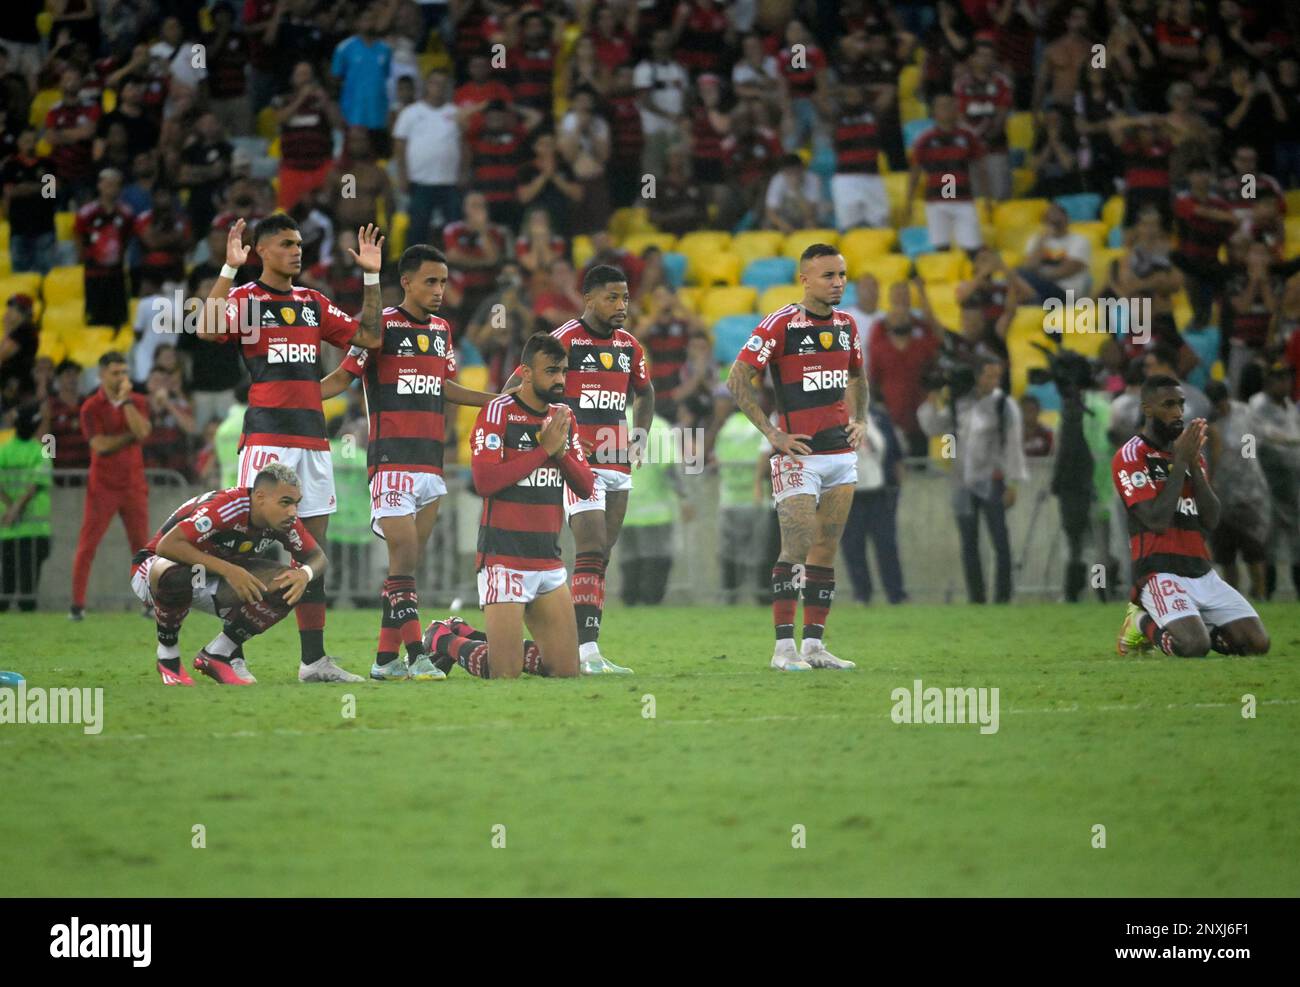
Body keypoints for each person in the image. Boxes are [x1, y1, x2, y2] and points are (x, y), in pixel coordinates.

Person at [193, 212, 387, 684]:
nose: (296, 251)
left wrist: (371, 276)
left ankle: (313, 661)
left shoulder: (312, 302)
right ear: (260, 251)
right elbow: (205, 329)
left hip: (313, 443)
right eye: (285, 244)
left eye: (299, 243)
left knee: (311, 553)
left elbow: (371, 337)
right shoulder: (246, 297)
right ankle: (227, 648)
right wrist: (227, 269)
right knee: (252, 545)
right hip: (267, 441)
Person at [320, 244, 498, 682]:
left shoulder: (441, 330)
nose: (440, 290)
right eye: (430, 281)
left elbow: (445, 386)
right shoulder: (380, 328)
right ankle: (417, 653)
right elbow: (344, 377)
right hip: (391, 460)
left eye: (443, 281)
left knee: (404, 569)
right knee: (402, 554)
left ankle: (384, 661)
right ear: (406, 282)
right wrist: (293, 399)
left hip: (430, 463)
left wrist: (497, 401)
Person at [503, 265, 655, 674]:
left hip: (617, 461)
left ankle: (582, 647)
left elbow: (645, 392)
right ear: (588, 299)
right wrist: (538, 437)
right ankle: (584, 653)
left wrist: (639, 434)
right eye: (612, 297)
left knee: (600, 555)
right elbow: (514, 391)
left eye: (625, 297)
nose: (621, 305)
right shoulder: (563, 340)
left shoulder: (629, 346)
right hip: (575, 461)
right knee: (589, 547)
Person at [726, 243, 867, 670]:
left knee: (825, 549)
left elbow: (857, 376)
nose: (838, 282)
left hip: (840, 454)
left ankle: (814, 647)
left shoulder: (847, 324)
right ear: (804, 278)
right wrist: (773, 433)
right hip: (797, 456)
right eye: (828, 275)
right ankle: (782, 649)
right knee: (797, 544)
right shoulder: (780, 324)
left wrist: (861, 418)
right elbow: (737, 379)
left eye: (842, 275)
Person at [423, 332, 593, 680]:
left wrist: (558, 452)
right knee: (504, 674)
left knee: (565, 671)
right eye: (551, 371)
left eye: (563, 371)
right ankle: (441, 637)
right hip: (504, 560)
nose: (559, 379)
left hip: (547, 560)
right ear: (526, 373)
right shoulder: (497, 412)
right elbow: (484, 483)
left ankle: (468, 634)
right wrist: (543, 452)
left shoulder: (563, 417)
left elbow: (586, 487)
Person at [130, 462, 329, 686]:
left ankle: (216, 654)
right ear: (260, 497)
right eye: (285, 503)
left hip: (211, 579)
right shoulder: (228, 507)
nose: (293, 512)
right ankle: (168, 656)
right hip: (152, 570)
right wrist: (230, 570)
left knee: (287, 583)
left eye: (296, 503)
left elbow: (318, 557)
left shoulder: (283, 521)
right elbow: (167, 547)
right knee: (174, 573)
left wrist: (304, 574)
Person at [1114, 375, 1270, 657]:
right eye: (1168, 405)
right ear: (1148, 410)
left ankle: (1199, 624)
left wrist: (1194, 466)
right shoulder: (1130, 456)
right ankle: (1140, 621)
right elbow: (1156, 520)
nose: (1178, 412)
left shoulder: (1190, 454)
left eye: (1181, 404)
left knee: (1257, 644)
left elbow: (1210, 520)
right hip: (1158, 571)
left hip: (1201, 570)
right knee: (1193, 647)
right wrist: (1181, 463)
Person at [918, 355, 1027, 604]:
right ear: (977, 376)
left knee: (1001, 541)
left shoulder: (1004, 405)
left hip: (993, 480)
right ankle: (976, 597)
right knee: (969, 543)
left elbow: (1013, 445)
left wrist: (1013, 483)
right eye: (989, 375)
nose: (993, 380)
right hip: (962, 482)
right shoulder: (958, 403)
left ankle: (1003, 596)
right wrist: (934, 397)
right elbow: (934, 427)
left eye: (996, 376)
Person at [70, 351, 151, 620]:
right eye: (116, 373)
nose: (121, 378)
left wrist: (126, 401)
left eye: (124, 372)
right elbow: (100, 446)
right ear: (102, 374)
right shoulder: (90, 407)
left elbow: (143, 432)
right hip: (102, 486)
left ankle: (149, 604)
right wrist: (129, 437)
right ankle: (77, 605)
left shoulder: (136, 401)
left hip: (133, 484)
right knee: (87, 545)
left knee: (143, 548)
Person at [1205, 380, 1270, 600]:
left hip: (1248, 492)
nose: (1220, 409)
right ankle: (1235, 598)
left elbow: (1255, 443)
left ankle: (1260, 594)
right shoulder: (1208, 422)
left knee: (1254, 549)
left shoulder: (1244, 413)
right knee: (1226, 554)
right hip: (1221, 496)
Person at [840, 402, 906, 605]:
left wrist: (897, 484)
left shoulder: (877, 415)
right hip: (849, 493)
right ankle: (862, 593)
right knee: (853, 546)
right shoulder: (834, 418)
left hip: (880, 492)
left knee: (886, 544)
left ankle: (895, 594)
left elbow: (894, 451)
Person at [905, 92, 986, 254]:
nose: (947, 110)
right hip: (936, 201)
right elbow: (915, 172)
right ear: (934, 112)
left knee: (972, 248)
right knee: (941, 247)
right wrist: (909, 201)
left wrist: (987, 197)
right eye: (942, 106)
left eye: (951, 106)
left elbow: (979, 168)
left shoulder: (967, 137)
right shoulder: (924, 140)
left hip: (963, 200)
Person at [1248, 364, 1300, 600]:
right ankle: (1265, 592)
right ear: (1268, 382)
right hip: (1268, 483)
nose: (1285, 384)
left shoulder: (1289, 406)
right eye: (1279, 379)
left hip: (1292, 484)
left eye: (1287, 378)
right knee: (1268, 538)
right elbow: (1255, 437)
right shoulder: (1257, 405)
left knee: (1296, 538)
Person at [0, 403, 51, 612]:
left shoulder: (4, 450)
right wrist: (17, 508)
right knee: (28, 584)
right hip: (33, 527)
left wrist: (11, 508)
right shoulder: (41, 451)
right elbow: (35, 485)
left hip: (8, 527)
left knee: (7, 583)